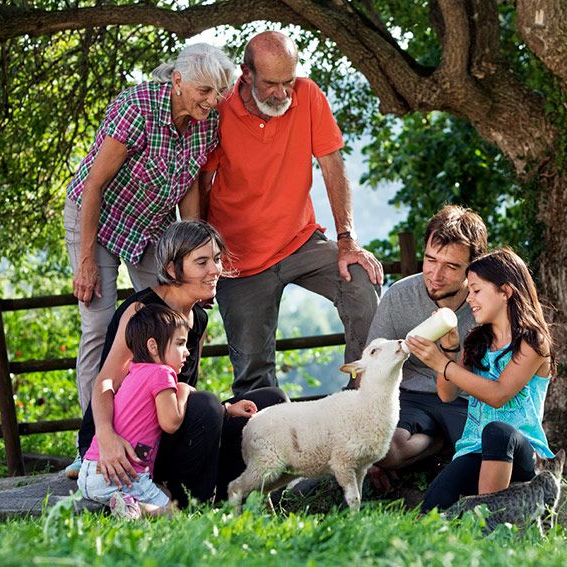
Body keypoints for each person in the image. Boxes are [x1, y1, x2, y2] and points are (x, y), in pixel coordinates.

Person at [63, 43, 236, 440]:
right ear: (178, 81)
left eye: (218, 93)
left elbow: (191, 184)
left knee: (170, 313)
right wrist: (87, 261)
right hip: (98, 218)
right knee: (100, 322)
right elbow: (94, 187)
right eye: (205, 91)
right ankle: (93, 439)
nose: (212, 101)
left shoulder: (206, 122)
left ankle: (159, 428)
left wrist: (196, 258)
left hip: (150, 225)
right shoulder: (137, 107)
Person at [197, 30, 383, 395]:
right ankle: (269, 444)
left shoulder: (308, 95)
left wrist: (347, 240)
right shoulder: (218, 112)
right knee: (253, 371)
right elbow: (201, 183)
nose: (282, 94)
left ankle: (362, 399)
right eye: (271, 84)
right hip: (238, 259)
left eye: (288, 82)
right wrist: (200, 254)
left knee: (361, 282)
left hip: (300, 243)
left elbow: (332, 165)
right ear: (246, 74)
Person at [76, 220, 288, 506]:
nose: (214, 270)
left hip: (165, 427)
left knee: (270, 401)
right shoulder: (143, 313)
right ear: (174, 269)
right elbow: (105, 382)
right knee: (207, 404)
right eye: (201, 262)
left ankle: (238, 498)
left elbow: (178, 391)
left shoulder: (197, 317)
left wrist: (226, 411)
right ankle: (193, 505)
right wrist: (106, 437)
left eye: (215, 259)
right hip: (128, 443)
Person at [406, 248, 556, 513]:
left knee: (498, 431)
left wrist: (442, 363)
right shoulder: (477, 341)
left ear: (505, 292)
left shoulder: (533, 342)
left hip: (522, 453)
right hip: (474, 450)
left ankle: (489, 520)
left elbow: (498, 394)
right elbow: (447, 394)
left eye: (476, 290)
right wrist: (450, 349)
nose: (470, 299)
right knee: (430, 512)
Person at [366, 205, 488, 489]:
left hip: (466, 400)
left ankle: (450, 444)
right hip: (412, 396)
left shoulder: (485, 302)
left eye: (451, 266)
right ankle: (439, 443)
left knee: (483, 461)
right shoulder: (399, 296)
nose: (435, 274)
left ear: (473, 268)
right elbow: (372, 369)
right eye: (430, 260)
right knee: (384, 450)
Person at [78, 303, 195, 519]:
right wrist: (184, 392)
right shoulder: (162, 373)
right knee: (175, 515)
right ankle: (134, 507)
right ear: (153, 346)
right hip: (121, 475)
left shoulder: (134, 371)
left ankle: (124, 502)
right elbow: (171, 422)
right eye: (180, 344)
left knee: (162, 494)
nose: (187, 352)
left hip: (90, 471)